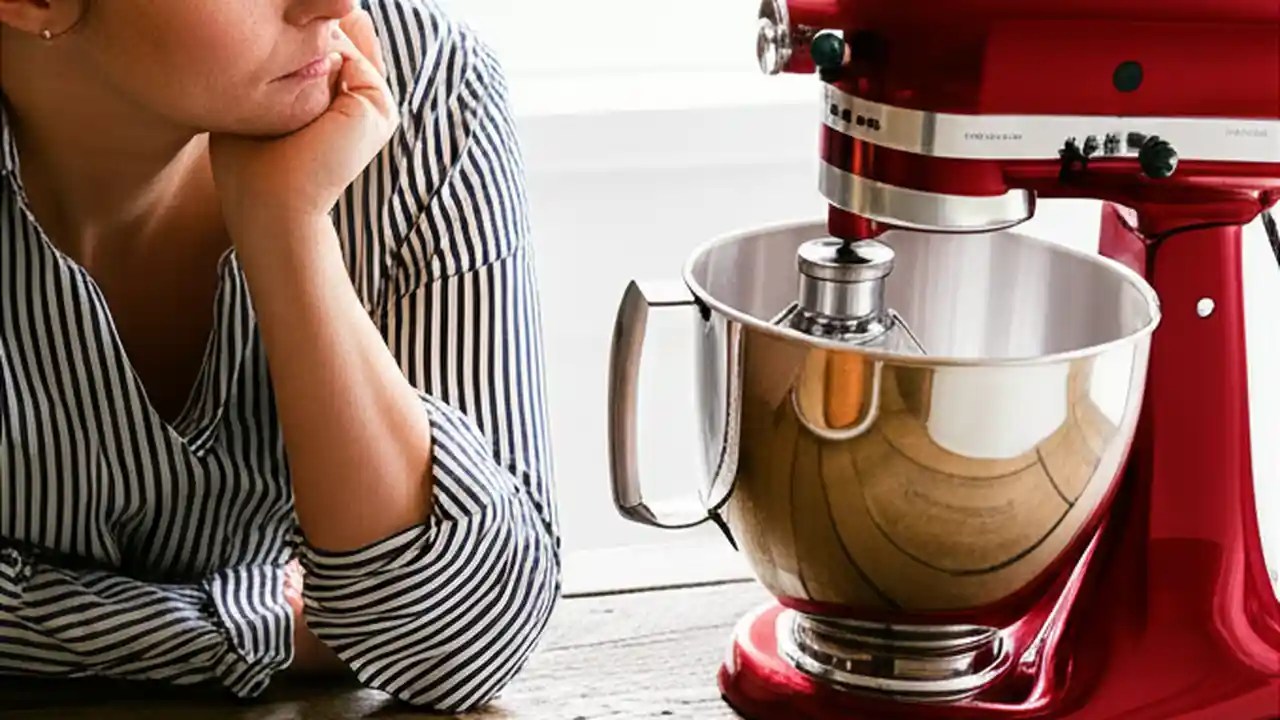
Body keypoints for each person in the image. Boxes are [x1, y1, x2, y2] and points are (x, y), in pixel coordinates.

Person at [0, 0, 559, 712]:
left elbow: (465, 643)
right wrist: (268, 626)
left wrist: (287, 230)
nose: (337, 5)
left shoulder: (422, 84)